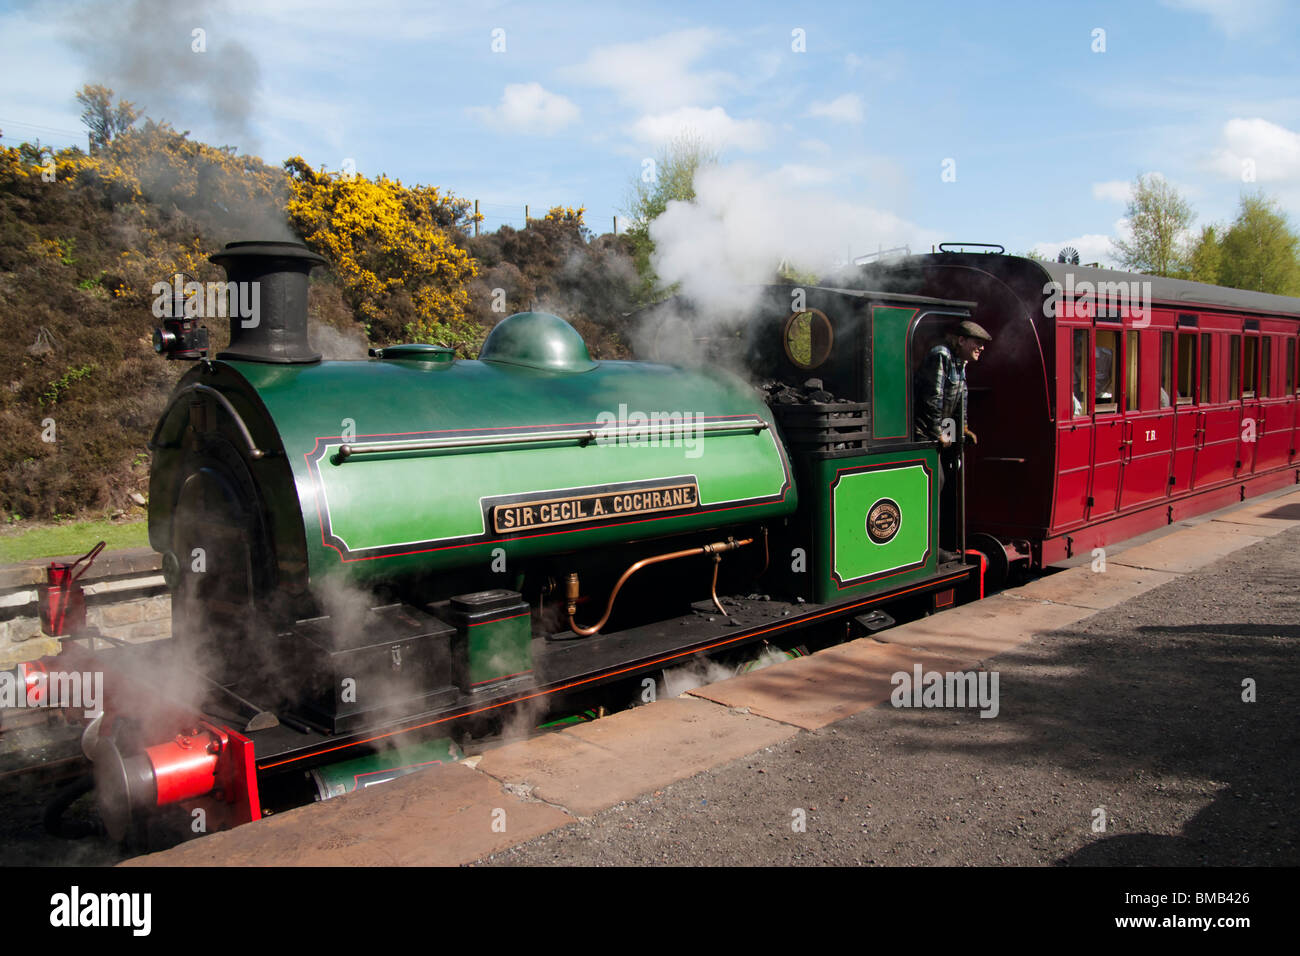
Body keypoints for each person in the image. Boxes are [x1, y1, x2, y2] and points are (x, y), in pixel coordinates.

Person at [913, 319, 992, 560]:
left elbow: (962, 395)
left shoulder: (960, 362)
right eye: (977, 343)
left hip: (935, 431)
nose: (981, 348)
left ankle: (939, 544)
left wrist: (964, 426)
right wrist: (938, 429)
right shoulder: (942, 356)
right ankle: (927, 548)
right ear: (961, 340)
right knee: (934, 481)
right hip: (920, 432)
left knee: (945, 479)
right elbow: (933, 395)